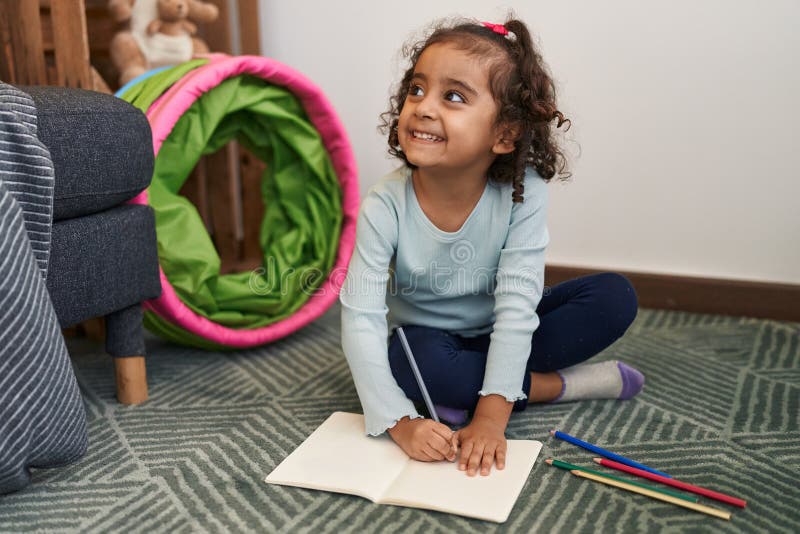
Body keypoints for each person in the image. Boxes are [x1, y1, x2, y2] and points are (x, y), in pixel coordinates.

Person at [339, 16, 642, 478]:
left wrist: (489, 418)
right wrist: (399, 422)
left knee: (614, 296)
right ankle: (552, 387)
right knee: (406, 362)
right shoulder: (385, 204)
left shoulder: (525, 190)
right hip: (427, 340)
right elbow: (361, 318)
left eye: (453, 96)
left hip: (501, 324)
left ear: (504, 134)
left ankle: (475, 390)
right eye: (416, 90)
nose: (421, 107)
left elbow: (519, 304)